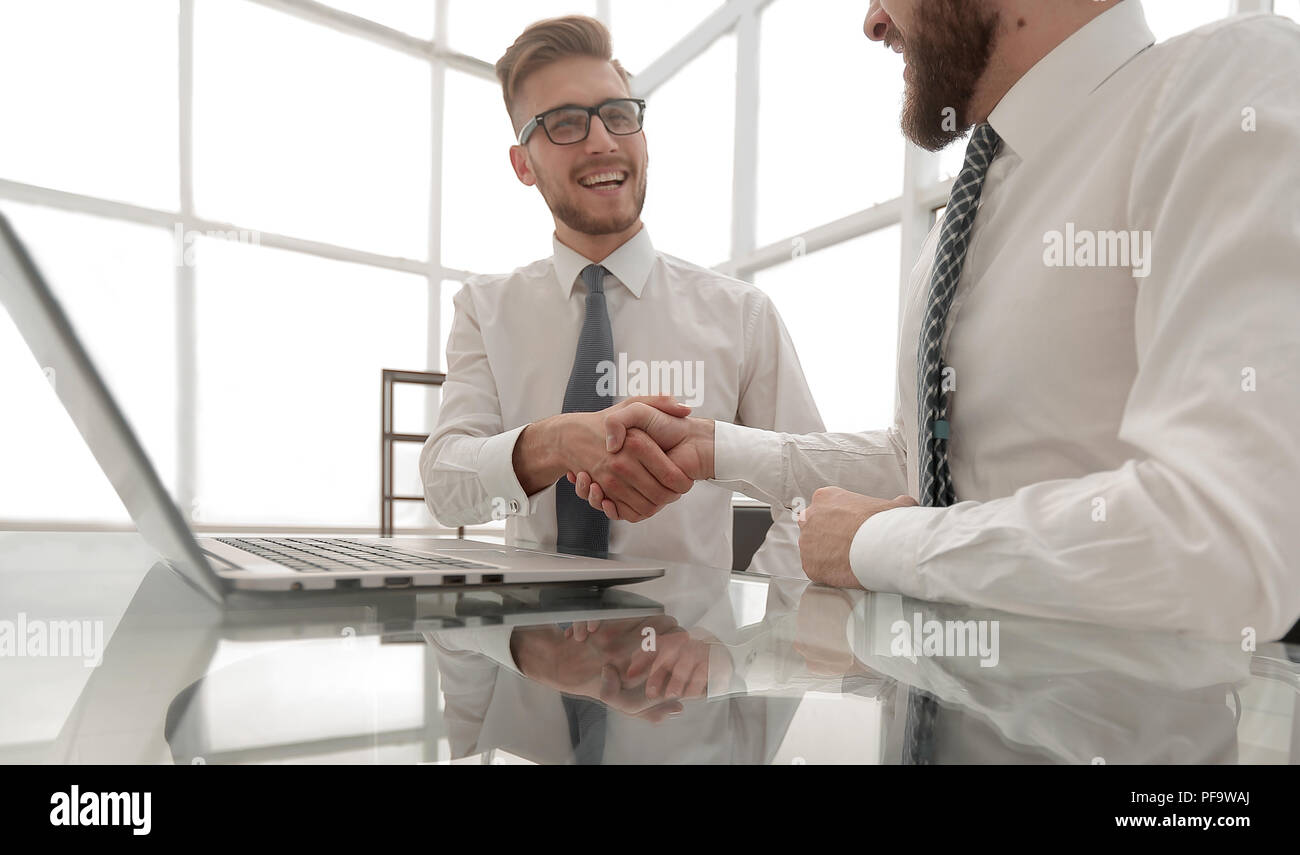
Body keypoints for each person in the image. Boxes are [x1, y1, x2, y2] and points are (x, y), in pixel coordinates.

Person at [572, 0, 1300, 641]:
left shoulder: (1226, 83)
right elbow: (923, 461)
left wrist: (878, 544)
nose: (873, 21)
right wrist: (712, 449)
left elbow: (1226, 544)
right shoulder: (964, 214)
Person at [419, 15, 823, 575]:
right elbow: (446, 489)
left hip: (692, 648)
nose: (602, 143)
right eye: (564, 123)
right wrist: (556, 442)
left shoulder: (742, 316)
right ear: (523, 164)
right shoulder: (485, 310)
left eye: (617, 115)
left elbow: (812, 492)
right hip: (527, 653)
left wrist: (739, 642)